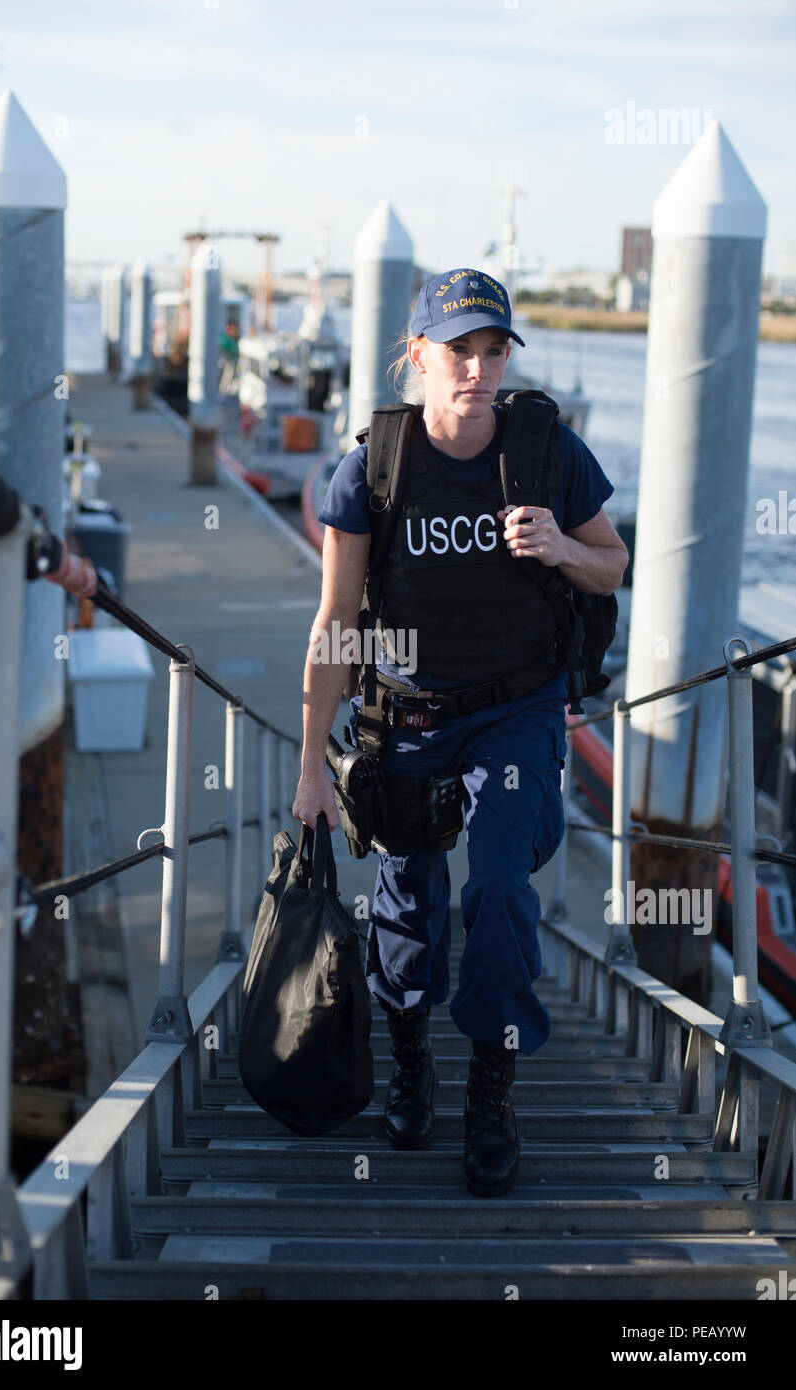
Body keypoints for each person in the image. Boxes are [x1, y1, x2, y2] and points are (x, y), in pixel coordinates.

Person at [292, 267, 628, 1196]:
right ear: (417, 357)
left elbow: (612, 564)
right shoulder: (373, 468)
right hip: (405, 712)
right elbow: (336, 623)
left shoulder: (548, 452)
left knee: (500, 889)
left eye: (491, 350)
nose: (476, 369)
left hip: (514, 711)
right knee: (404, 899)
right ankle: (410, 1061)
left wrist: (561, 546)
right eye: (457, 351)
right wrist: (313, 765)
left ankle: (492, 1084)